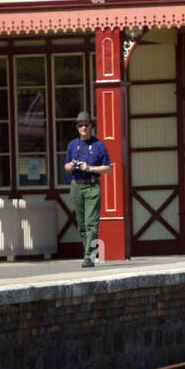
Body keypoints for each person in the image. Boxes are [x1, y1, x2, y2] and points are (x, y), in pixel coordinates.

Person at [64, 111, 112, 267]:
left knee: (91, 222)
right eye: (80, 125)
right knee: (82, 224)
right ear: (77, 127)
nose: (83, 127)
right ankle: (89, 254)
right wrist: (70, 166)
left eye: (86, 125)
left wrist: (90, 168)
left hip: (91, 185)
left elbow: (107, 168)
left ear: (91, 126)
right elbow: (65, 166)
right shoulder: (72, 144)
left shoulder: (99, 145)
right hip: (76, 185)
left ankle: (88, 256)